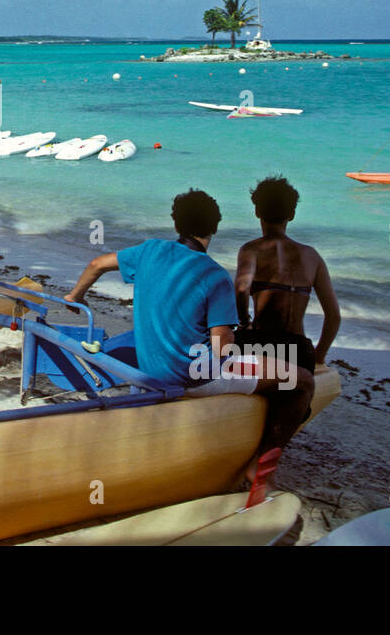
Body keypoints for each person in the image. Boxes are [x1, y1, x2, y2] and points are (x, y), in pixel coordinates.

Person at [65, 188, 314, 488]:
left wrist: (74, 296)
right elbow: (222, 346)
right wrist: (240, 358)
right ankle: (259, 468)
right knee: (301, 382)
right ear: (216, 227)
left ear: (176, 224)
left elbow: (96, 265)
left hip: (144, 371)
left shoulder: (148, 250)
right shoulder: (214, 275)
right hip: (194, 378)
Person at [233, 176, 340, 374]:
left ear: (257, 211)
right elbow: (333, 316)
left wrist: (244, 322)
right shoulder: (312, 256)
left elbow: (241, 290)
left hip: (260, 343)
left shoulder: (251, 250)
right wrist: (319, 355)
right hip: (297, 349)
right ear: (291, 214)